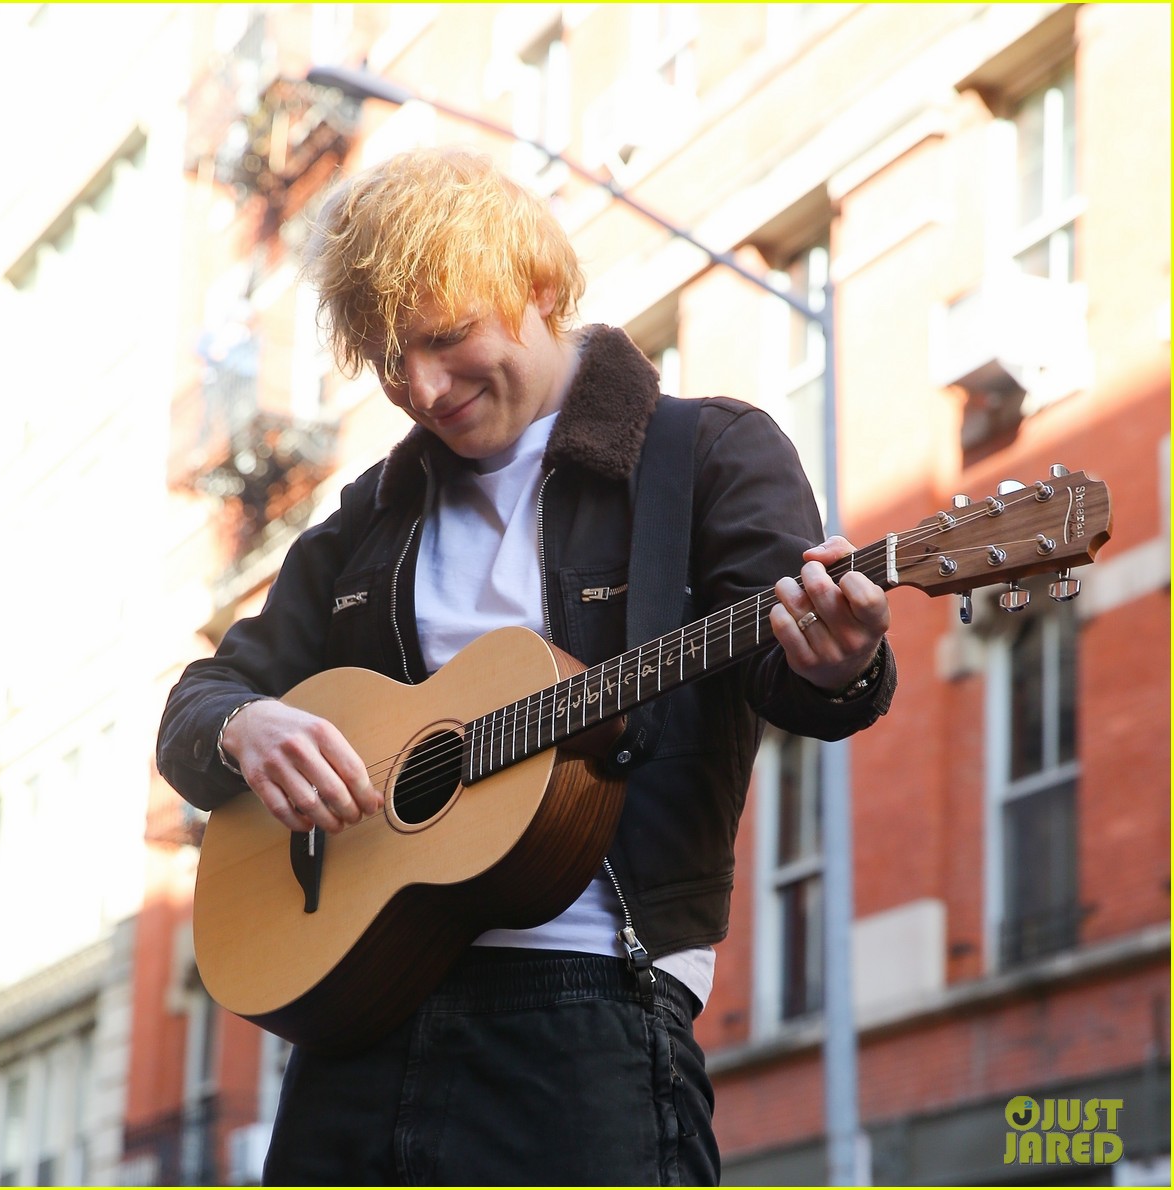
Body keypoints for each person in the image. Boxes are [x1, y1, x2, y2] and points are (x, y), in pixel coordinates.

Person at [157, 147, 895, 1186]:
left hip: (590, 1010)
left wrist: (840, 661)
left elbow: (798, 683)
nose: (422, 388)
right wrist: (247, 727)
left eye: (446, 337)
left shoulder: (703, 453)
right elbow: (198, 703)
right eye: (391, 361)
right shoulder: (374, 515)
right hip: (357, 1025)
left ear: (538, 290)